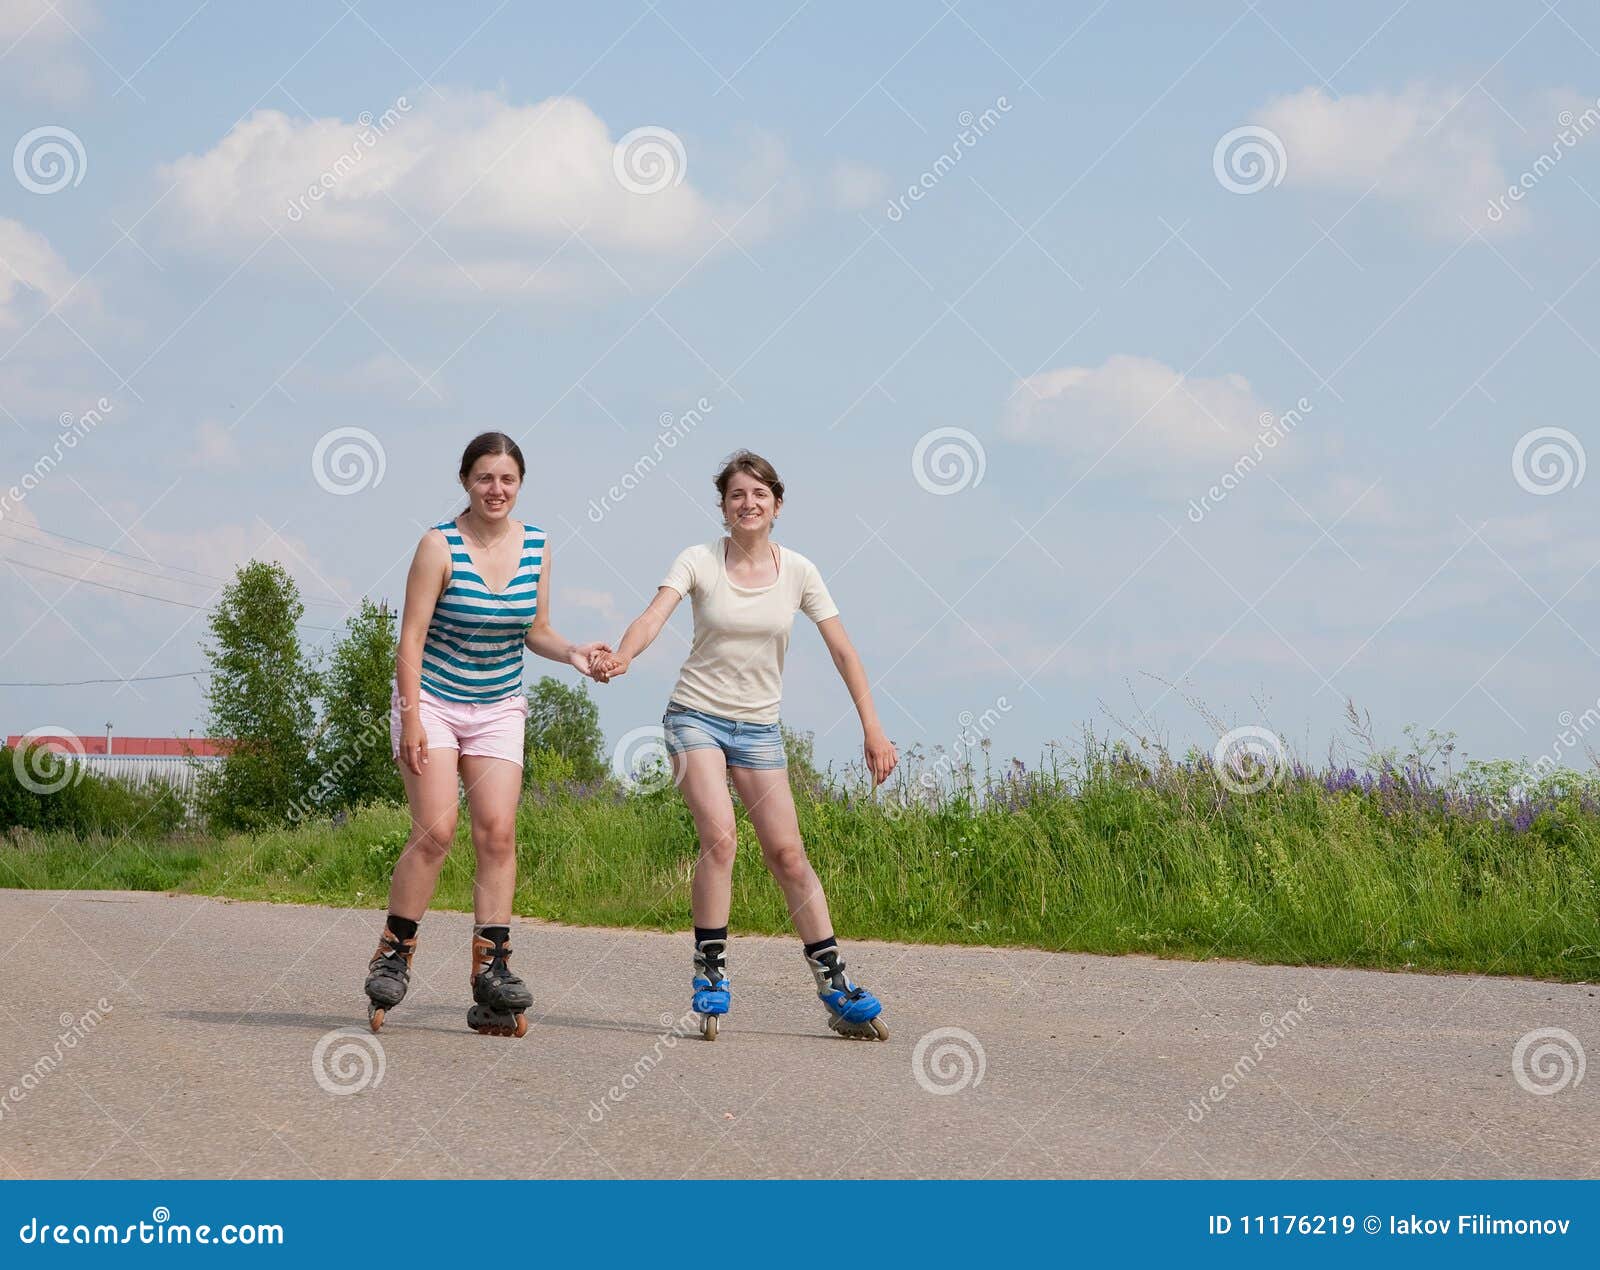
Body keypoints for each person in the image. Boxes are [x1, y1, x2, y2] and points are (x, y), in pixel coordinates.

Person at [596, 450, 898, 1040]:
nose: (748, 504)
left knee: (788, 854)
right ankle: (711, 971)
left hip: (759, 727)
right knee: (722, 838)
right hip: (695, 719)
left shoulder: (800, 572)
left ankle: (834, 985)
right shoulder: (699, 559)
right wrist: (625, 655)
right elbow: (655, 614)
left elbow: (843, 650)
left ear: (777, 505)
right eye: (737, 495)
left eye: (760, 494)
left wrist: (873, 727)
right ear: (724, 506)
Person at [363, 431, 610, 1037]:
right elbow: (410, 640)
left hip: (499, 705)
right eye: (484, 479)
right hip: (435, 703)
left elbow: (536, 629)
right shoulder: (437, 545)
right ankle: (395, 950)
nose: (495, 490)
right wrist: (412, 716)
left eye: (506, 479)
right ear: (465, 482)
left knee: (497, 832)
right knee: (437, 832)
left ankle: (492, 970)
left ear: (519, 484)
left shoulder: (538, 545)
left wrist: (574, 651)